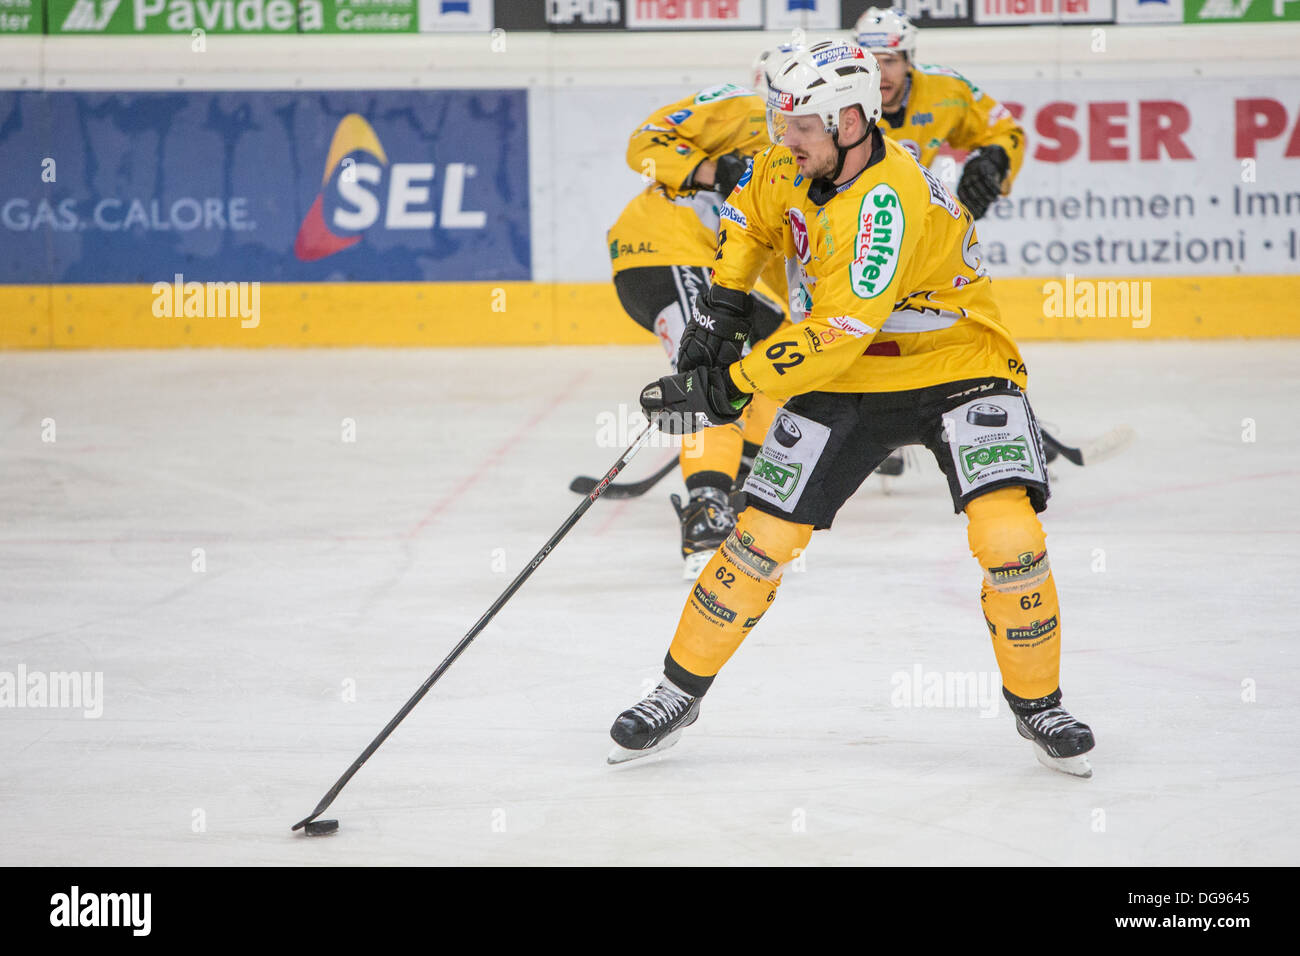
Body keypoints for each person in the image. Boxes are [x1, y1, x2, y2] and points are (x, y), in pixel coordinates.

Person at [607, 40, 1095, 778]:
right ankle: (676, 692)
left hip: (957, 364)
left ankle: (1040, 703)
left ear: (854, 119)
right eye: (781, 118)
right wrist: (718, 312)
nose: (784, 137)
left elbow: (836, 333)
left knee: (1008, 536)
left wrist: (735, 381)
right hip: (852, 374)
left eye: (801, 124)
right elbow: (747, 225)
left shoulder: (887, 197)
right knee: (759, 538)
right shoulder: (788, 157)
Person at [608, 81, 788, 577]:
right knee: (710, 374)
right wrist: (713, 170)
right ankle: (706, 515)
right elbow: (643, 145)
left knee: (783, 359)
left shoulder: (816, 156)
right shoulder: (743, 108)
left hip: (714, 267)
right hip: (665, 250)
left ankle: (738, 476)